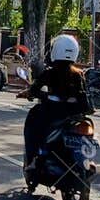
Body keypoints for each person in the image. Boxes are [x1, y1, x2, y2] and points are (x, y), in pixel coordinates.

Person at [19, 34, 92, 176]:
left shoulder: (49, 73)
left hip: (52, 113)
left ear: (56, 50)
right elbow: (84, 97)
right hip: (74, 115)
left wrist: (31, 94)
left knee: (32, 126)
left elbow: (34, 90)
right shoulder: (79, 74)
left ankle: (33, 159)